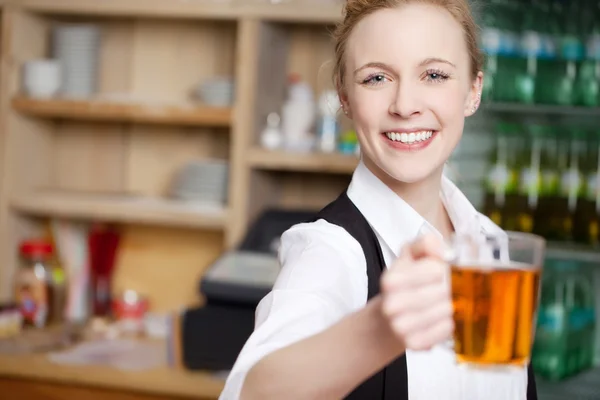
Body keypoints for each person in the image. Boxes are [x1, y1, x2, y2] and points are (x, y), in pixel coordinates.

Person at [220, 0, 538, 399]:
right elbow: (252, 393)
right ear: (345, 97)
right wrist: (380, 329)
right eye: (376, 79)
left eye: (434, 74)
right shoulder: (331, 251)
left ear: (473, 91)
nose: (405, 105)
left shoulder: (491, 243)